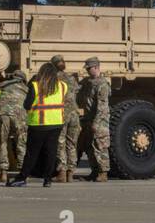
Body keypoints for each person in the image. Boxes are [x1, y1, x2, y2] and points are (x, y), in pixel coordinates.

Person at [7, 62, 66, 188]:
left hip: (38, 124)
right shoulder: (62, 86)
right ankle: (48, 179)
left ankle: (22, 178)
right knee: (51, 152)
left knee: (31, 154)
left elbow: (27, 105)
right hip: (56, 124)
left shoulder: (35, 86)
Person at [0, 66, 28, 184]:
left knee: (2, 142)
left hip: (2, 115)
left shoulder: (2, 86)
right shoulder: (25, 88)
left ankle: (3, 172)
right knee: (21, 143)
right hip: (18, 116)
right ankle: (23, 173)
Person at [76, 57, 111, 181]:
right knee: (89, 146)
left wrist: (96, 123)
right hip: (88, 118)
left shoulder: (102, 84)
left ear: (96, 67)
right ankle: (95, 171)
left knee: (100, 145)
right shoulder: (87, 82)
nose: (87, 71)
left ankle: (103, 172)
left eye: (89, 68)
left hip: (99, 120)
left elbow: (102, 107)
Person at [52, 55, 81, 183]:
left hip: (61, 114)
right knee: (72, 144)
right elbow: (76, 92)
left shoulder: (53, 79)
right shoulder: (71, 79)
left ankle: (62, 172)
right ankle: (71, 173)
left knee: (60, 143)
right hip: (74, 114)